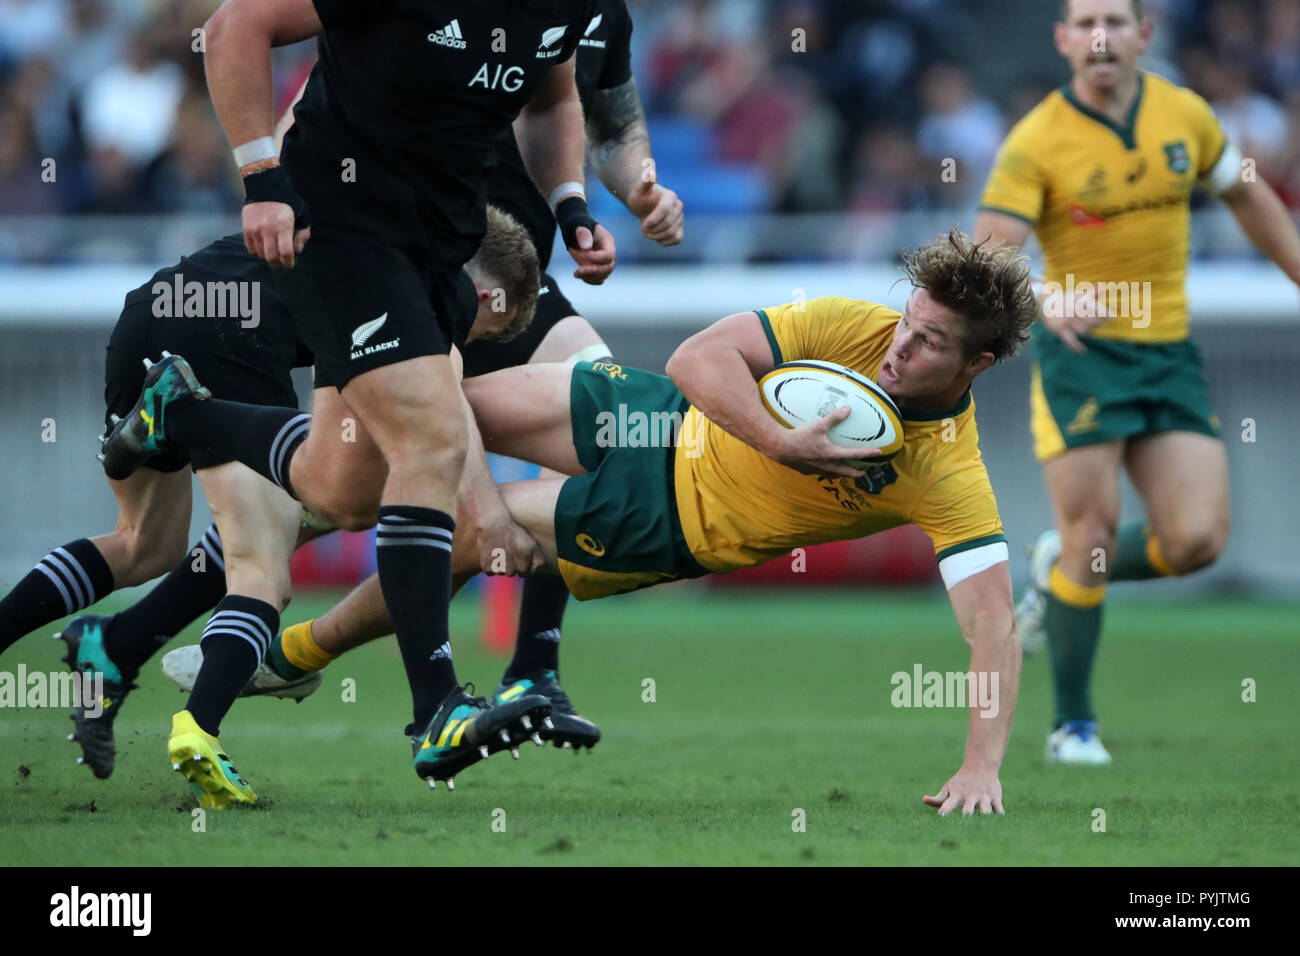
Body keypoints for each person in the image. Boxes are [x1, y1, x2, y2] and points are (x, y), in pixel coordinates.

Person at [162, 230, 1038, 816]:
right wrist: (781, 441)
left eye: (927, 344)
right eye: (910, 323)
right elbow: (701, 359)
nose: (899, 347)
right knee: (430, 410)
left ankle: (289, 654)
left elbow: (993, 627)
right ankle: (246, 467)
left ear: (980, 364)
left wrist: (982, 766)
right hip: (657, 415)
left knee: (471, 535)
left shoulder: (947, 473)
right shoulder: (858, 326)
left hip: (662, 518)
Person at [103, 0, 615, 802]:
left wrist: (573, 205)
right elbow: (238, 25)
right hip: (334, 228)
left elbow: (553, 100)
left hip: (438, 246)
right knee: (436, 444)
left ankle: (180, 414)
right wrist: (261, 177)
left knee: (341, 490)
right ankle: (437, 710)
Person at [0, 208, 540, 786]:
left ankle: (107, 648)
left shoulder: (380, 229)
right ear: (485, 296)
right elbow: (440, 398)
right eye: (481, 331)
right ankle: (198, 733)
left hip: (151, 312)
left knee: (143, 546)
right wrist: (486, 513)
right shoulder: (441, 284)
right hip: (231, 348)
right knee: (264, 569)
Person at [974, 0, 1300, 764]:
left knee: (1197, 542)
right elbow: (990, 251)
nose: (1101, 37)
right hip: (1083, 359)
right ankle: (1073, 727)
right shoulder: (1036, 140)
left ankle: (1054, 565)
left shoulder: (1185, 114)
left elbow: (1246, 191)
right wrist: (1048, 298)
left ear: (1144, 36)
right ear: (1061, 40)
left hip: (1168, 355)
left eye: (1117, 21)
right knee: (1093, 532)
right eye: (1085, 22)